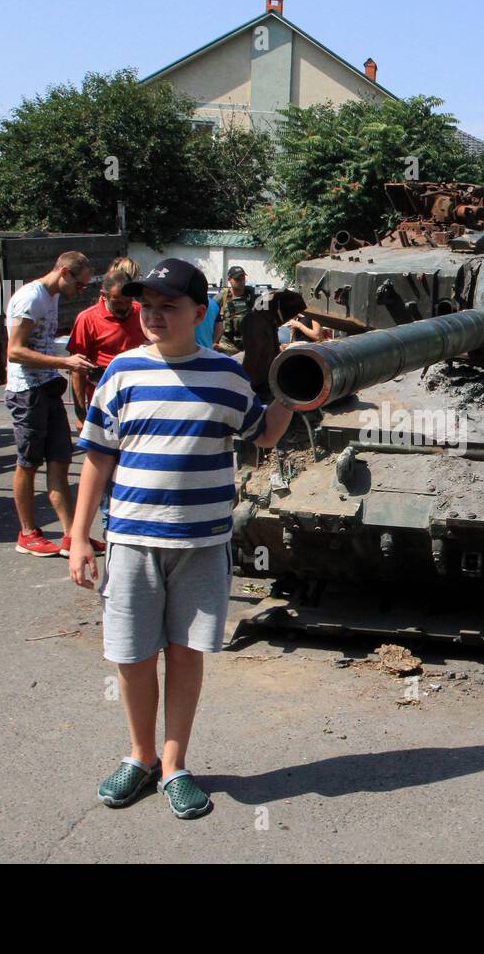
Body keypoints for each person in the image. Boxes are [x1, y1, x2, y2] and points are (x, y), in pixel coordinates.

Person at [68, 258, 296, 820]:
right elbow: (98, 458)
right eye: (148, 305)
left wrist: (293, 392)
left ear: (200, 313)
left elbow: (263, 433)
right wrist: (78, 536)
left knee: (186, 653)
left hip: (202, 543)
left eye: (170, 306)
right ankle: (139, 757)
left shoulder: (225, 375)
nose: (155, 315)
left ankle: (174, 765)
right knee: (132, 654)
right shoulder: (120, 372)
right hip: (132, 541)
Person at [4, 251, 103, 557]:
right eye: (80, 284)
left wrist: (66, 362)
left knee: (60, 460)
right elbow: (15, 351)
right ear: (64, 272)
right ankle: (27, 533)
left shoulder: (52, 297)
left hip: (46, 386)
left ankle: (72, 536)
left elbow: (43, 342)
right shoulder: (31, 299)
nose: (80, 291)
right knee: (28, 463)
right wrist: (64, 361)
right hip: (26, 391)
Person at [67, 267, 144, 426]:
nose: (124, 306)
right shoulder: (87, 319)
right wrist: (81, 413)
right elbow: (77, 368)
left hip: (137, 398)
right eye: (117, 301)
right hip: (106, 402)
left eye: (128, 301)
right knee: (110, 444)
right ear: (104, 295)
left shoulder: (141, 312)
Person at [241, 289, 306, 398]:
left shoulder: (269, 323)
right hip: (256, 383)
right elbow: (257, 351)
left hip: (266, 379)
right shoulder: (255, 323)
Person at [215, 265, 256, 351]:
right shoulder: (221, 297)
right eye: (237, 279)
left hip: (248, 345)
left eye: (243, 279)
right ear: (229, 280)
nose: (241, 282)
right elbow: (208, 318)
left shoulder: (252, 296)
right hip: (227, 345)